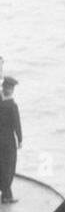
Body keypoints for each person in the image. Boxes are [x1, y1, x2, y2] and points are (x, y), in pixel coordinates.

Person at [0, 75, 20, 204]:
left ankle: (5, 192)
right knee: (9, 166)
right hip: (7, 141)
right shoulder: (12, 105)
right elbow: (16, 124)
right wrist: (20, 139)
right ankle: (6, 195)